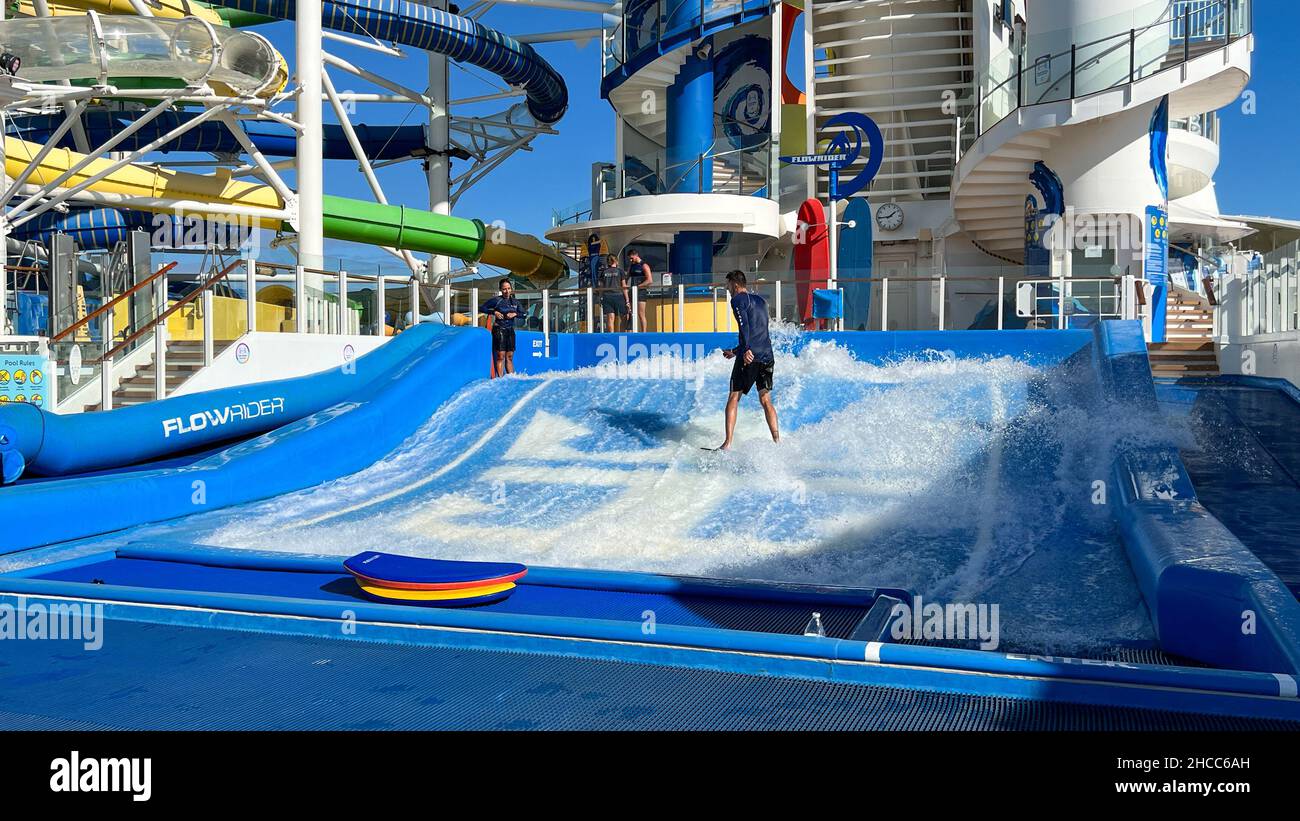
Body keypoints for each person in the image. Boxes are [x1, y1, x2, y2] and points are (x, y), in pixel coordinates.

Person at [716, 270, 779, 450]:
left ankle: (727, 444)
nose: (727, 289)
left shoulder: (737, 300)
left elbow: (744, 326)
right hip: (767, 354)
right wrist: (736, 351)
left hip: (750, 355)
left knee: (734, 397)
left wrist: (746, 350)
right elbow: (759, 330)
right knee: (766, 399)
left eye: (728, 285)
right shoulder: (760, 301)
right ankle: (777, 442)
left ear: (735, 285)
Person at [480, 278, 522, 377]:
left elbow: (524, 314)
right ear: (500, 290)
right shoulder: (497, 300)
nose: (507, 291)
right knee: (501, 356)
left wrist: (514, 314)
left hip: (510, 330)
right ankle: (500, 379)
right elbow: (482, 308)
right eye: (504, 289)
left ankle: (511, 378)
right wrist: (494, 312)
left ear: (511, 289)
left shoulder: (515, 302)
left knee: (510, 356)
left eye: (508, 288)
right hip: (499, 330)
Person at [625, 249, 653, 331]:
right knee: (630, 313)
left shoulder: (644, 265)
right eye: (629, 259)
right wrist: (626, 288)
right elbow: (626, 278)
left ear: (636, 255)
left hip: (641, 292)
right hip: (632, 291)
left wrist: (638, 286)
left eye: (631, 258)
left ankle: (643, 333)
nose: (630, 260)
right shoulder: (631, 266)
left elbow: (649, 280)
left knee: (641, 314)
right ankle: (632, 331)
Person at [597, 253, 626, 332]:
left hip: (607, 296)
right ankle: (622, 334)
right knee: (623, 317)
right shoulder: (620, 271)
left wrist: (600, 298)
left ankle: (612, 337)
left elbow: (601, 287)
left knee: (610, 318)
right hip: (619, 296)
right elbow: (624, 286)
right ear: (616, 261)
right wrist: (627, 300)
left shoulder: (603, 272)